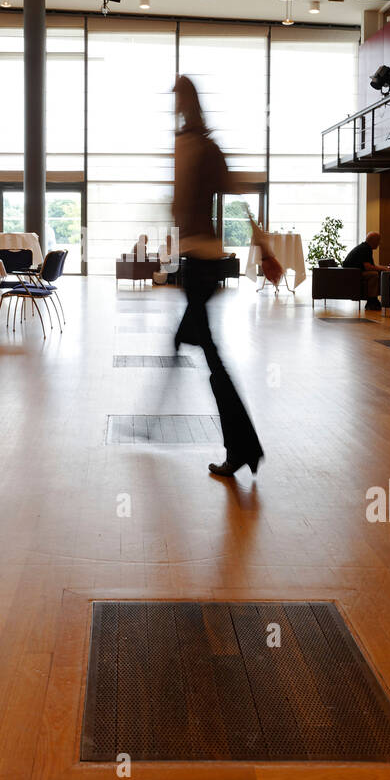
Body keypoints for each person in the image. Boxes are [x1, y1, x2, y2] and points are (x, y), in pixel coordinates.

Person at [172, 77, 263, 480]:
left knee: (207, 353)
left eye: (178, 97)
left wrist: (265, 244)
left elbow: (237, 193)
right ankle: (243, 447)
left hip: (203, 262)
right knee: (202, 349)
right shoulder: (189, 143)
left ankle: (242, 447)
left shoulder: (200, 146)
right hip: (194, 261)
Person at [342, 231, 388, 310]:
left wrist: (385, 268)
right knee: (374, 274)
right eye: (378, 240)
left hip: (353, 272)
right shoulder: (365, 249)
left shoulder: (365, 247)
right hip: (352, 274)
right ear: (374, 241)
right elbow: (368, 267)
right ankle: (372, 300)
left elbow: (370, 266)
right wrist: (384, 269)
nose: (379, 243)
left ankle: (373, 300)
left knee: (376, 272)